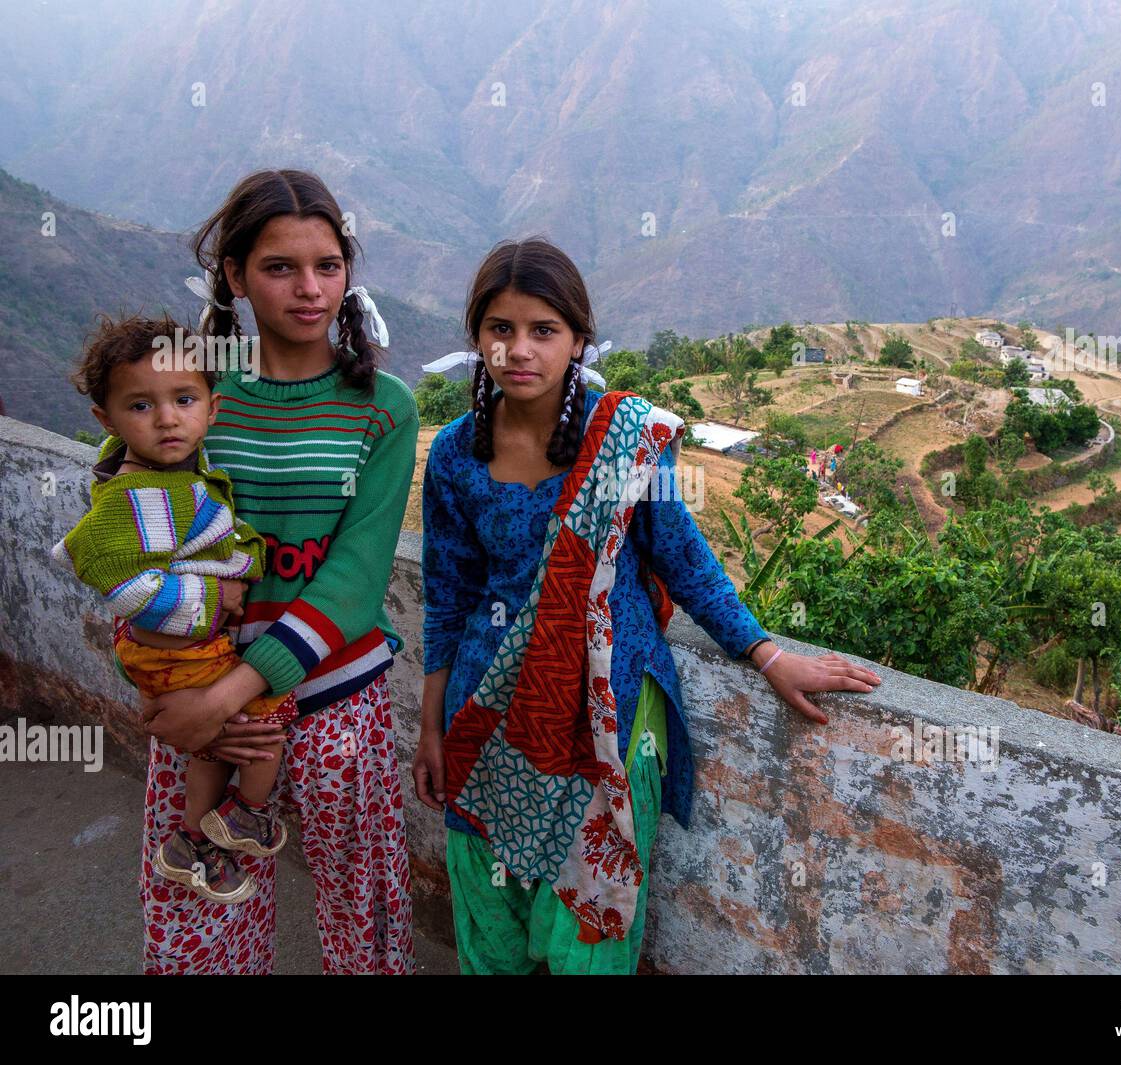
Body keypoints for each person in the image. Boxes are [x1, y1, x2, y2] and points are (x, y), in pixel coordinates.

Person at [414, 236, 881, 974]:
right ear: (477, 338)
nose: (519, 349)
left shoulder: (625, 442)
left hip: (612, 708)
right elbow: (446, 595)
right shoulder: (455, 455)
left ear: (577, 340)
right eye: (500, 329)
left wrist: (766, 652)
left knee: (587, 944)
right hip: (488, 712)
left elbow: (683, 558)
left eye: (543, 330)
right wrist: (432, 723)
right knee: (489, 932)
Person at [131, 169, 418, 974]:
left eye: (328, 266)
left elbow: (354, 580)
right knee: (198, 903)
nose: (310, 289)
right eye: (280, 268)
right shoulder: (193, 394)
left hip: (328, 701)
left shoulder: (383, 405)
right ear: (233, 276)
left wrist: (221, 700)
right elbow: (134, 521)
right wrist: (169, 684)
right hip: (198, 697)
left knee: (363, 911)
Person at [55, 314, 296, 906]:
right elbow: (124, 586)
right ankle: (241, 818)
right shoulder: (139, 497)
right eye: (141, 406)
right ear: (106, 420)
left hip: (181, 650)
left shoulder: (162, 470)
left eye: (183, 399)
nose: (167, 419)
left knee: (214, 742)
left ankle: (193, 840)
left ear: (211, 409)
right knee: (265, 725)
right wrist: (219, 596)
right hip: (178, 651)